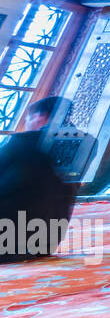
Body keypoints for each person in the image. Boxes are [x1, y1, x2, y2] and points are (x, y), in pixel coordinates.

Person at [0, 97, 78, 263]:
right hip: (45, 243)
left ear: (40, 117)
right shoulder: (85, 143)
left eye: (27, 118)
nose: (26, 124)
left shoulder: (21, 141)